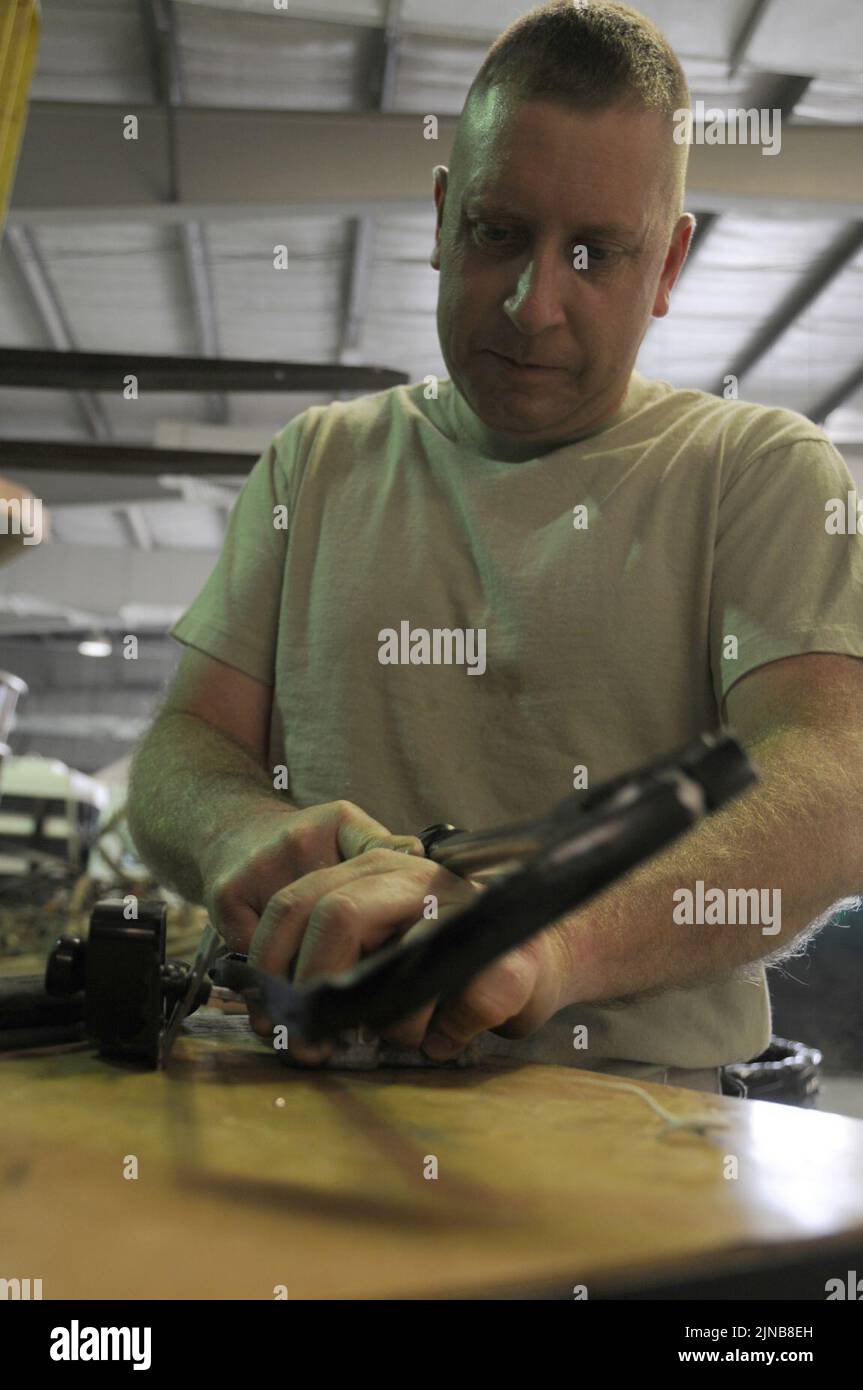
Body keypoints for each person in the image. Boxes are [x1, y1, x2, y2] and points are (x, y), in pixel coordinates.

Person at [128, 1, 863, 1091]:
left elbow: (831, 782)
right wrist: (240, 829)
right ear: (439, 218)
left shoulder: (754, 474)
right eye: (497, 232)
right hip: (277, 1100)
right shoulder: (315, 465)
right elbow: (182, 749)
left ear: (667, 265)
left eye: (594, 253)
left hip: (634, 1152)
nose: (532, 303)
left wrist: (547, 946)